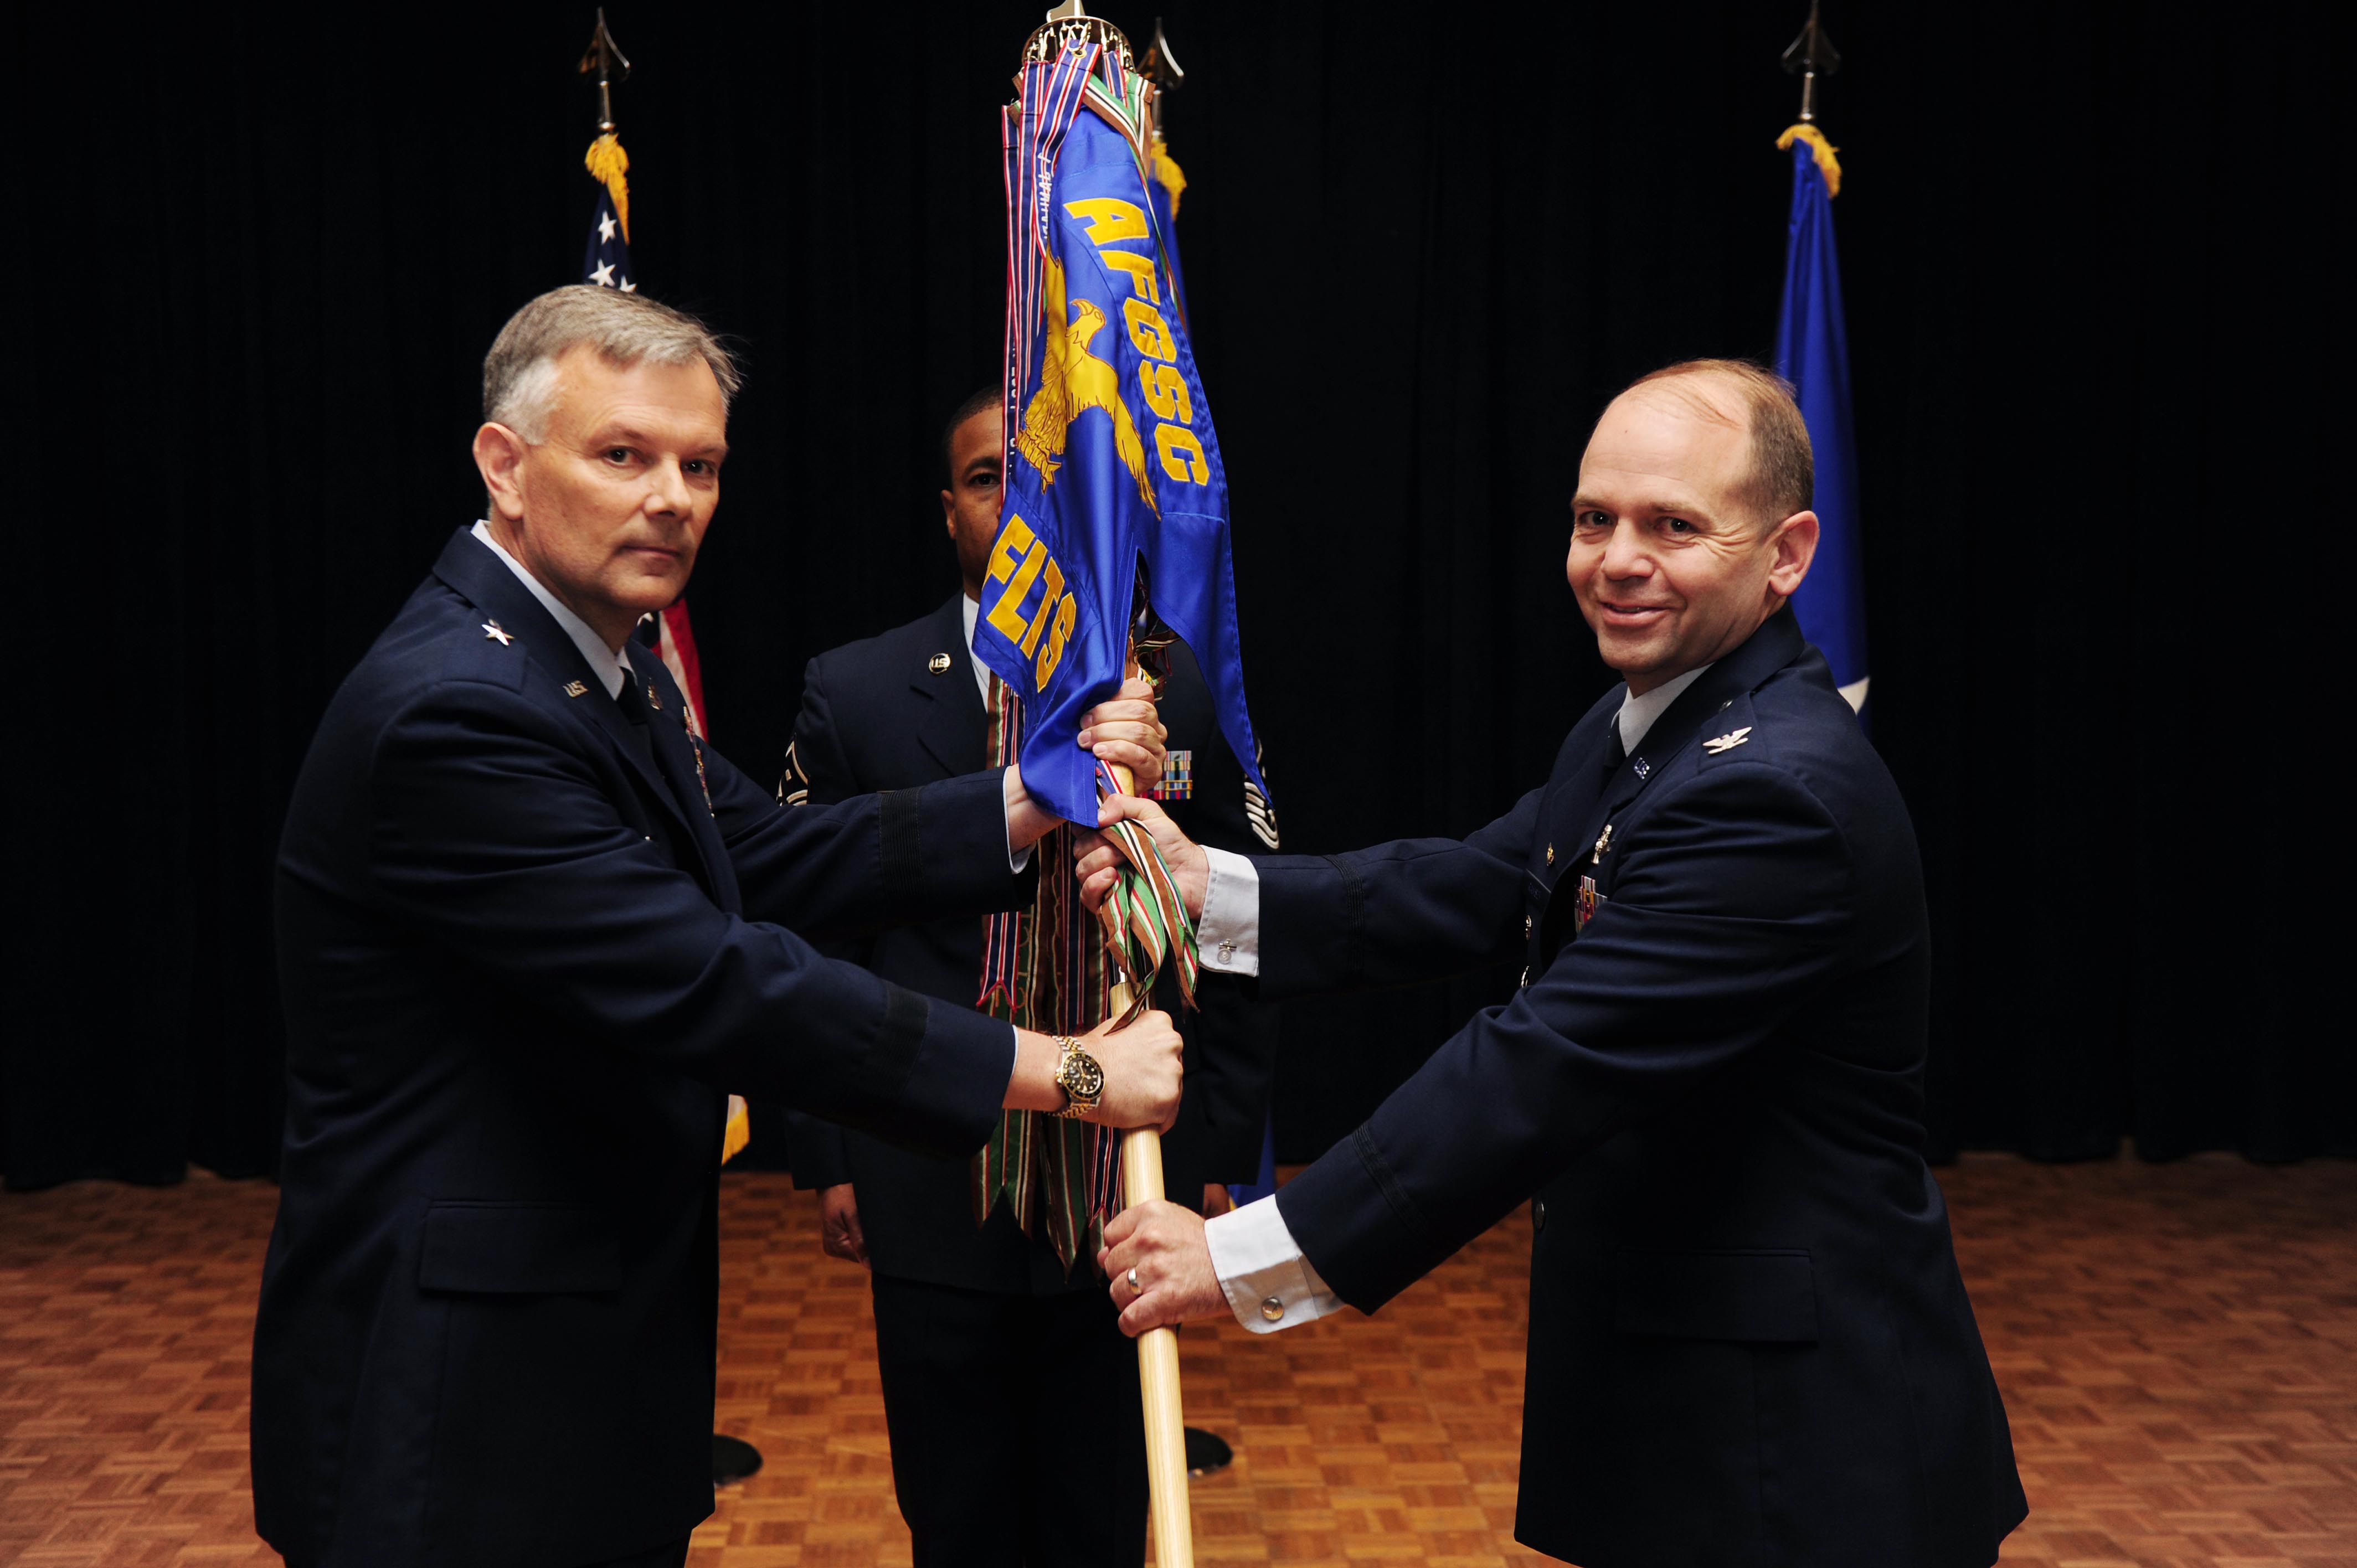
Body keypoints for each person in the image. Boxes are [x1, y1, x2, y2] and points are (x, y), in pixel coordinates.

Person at [254, 286, 1182, 1568]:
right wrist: (1072, 1073)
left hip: (576, 1347)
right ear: (504, 467)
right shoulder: (457, 708)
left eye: (700, 466)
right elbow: (717, 984)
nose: (672, 499)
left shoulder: (601, 668)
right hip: (460, 1392)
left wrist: (1035, 795)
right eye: (622, 455)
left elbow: (771, 851)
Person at [1083, 360, 2028, 1566]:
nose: (1618, 560)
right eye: (1595, 519)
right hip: (1690, 1399)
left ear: (1786, 555)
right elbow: (1476, 886)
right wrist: (1202, 887)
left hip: (1798, 1452)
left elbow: (1540, 1068)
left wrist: (1239, 1257)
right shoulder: (1654, 717)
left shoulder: (1771, 794)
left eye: (1673, 526)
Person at [771, 388, 1280, 1566]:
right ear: (948, 510)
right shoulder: (855, 687)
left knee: (1101, 1514)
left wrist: (1220, 1143)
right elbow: (812, 930)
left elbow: (1238, 931)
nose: (1016, 497)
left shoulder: (1170, 690)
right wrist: (828, 1151)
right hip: (928, 1171)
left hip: (1124, 1183)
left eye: (1040, 472)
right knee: (956, 1516)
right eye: (987, 476)